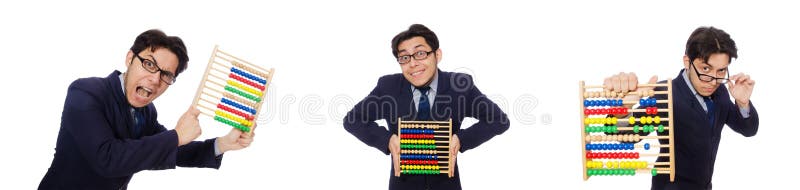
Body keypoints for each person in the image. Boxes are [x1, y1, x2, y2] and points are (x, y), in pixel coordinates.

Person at [39, 29, 256, 189]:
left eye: (166, 75)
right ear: (130, 58)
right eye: (149, 65)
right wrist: (176, 136)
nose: (155, 79)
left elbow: (171, 148)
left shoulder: (147, 112)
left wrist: (222, 144)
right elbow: (107, 159)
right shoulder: (85, 92)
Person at [343, 24, 510, 190]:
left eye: (420, 53)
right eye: (404, 58)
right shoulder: (388, 87)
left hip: (446, 184)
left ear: (437, 54)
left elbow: (498, 120)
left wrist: (461, 139)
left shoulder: (460, 86)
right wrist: (387, 140)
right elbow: (353, 119)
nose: (413, 63)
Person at [603, 26, 758, 190]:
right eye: (705, 69)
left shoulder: (721, 92)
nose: (713, 80)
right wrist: (622, 109)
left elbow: (748, 129)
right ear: (687, 62)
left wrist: (742, 102)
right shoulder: (664, 94)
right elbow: (620, 134)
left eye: (721, 71)